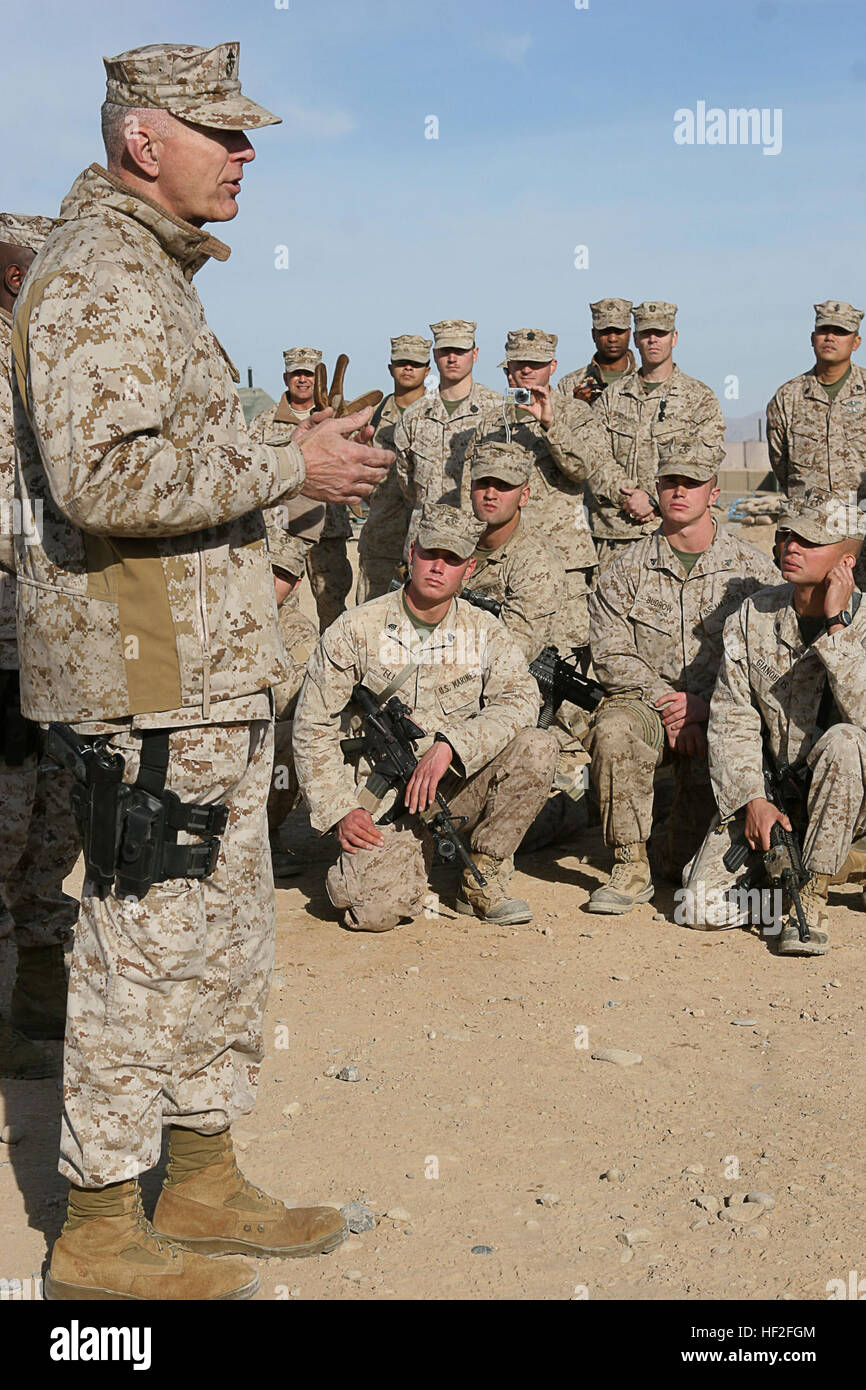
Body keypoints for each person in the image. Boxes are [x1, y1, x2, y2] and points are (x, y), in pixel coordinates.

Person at [12, 41, 391, 1301]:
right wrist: (290, 469)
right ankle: (102, 1228)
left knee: (222, 938)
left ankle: (203, 1172)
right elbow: (102, 476)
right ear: (141, 141)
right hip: (145, 671)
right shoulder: (96, 274)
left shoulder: (159, 277)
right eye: (220, 133)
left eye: (246, 135)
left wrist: (283, 432)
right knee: (140, 947)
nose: (244, 155)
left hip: (211, 674)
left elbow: (177, 438)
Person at [293, 504, 557, 931]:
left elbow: (521, 698)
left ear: (468, 568)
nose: (438, 567)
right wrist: (340, 808)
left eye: (452, 559)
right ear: (411, 553)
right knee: (368, 913)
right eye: (430, 553)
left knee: (538, 746)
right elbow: (313, 725)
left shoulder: (484, 631)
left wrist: (452, 745)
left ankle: (482, 874)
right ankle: (407, 855)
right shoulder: (356, 628)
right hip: (384, 796)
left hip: (454, 787)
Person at [584, 444, 778, 914]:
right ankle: (629, 866)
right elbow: (609, 652)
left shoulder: (754, 572)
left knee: (682, 864)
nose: (679, 492)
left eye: (692, 483)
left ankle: (671, 845)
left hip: (724, 718)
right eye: (670, 482)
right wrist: (669, 702)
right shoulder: (624, 568)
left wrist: (707, 705)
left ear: (713, 493)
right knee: (613, 730)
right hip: (650, 709)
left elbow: (770, 661)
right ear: (657, 489)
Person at [682, 489, 866, 956]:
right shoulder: (755, 615)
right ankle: (794, 877)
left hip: (853, 799)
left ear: (847, 559)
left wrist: (837, 630)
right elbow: (732, 718)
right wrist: (752, 801)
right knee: (697, 904)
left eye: (808, 539)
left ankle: (814, 893)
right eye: (786, 534)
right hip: (777, 796)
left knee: (845, 741)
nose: (791, 546)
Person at [0, 212, 80, 1082]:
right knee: (6, 814)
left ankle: (38, 989)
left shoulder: (45, 356)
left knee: (57, 811)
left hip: (53, 633)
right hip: (8, 628)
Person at [467, 329, 631, 649]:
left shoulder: (576, 414)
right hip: (501, 560)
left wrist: (551, 425)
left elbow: (582, 470)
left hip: (563, 560)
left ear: (552, 366)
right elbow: (471, 491)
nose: (527, 370)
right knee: (502, 655)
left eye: (536, 363)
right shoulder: (491, 423)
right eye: (519, 363)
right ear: (507, 366)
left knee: (562, 661)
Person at [592, 301, 726, 569]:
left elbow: (706, 462)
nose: (653, 339)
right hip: (617, 535)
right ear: (636, 339)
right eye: (645, 333)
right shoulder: (611, 398)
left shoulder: (699, 399)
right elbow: (595, 458)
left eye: (661, 333)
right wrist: (629, 497)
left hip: (676, 533)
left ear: (674, 338)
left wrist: (655, 500)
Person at [249, 347, 353, 631]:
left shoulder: (336, 419)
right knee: (280, 610)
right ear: (286, 377)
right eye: (297, 374)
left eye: (308, 373)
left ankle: (334, 671)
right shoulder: (263, 423)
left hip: (327, 531)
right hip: (283, 529)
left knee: (333, 607)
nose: (303, 379)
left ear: (317, 378)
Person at [394, 319, 501, 548]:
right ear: (434, 354)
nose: (452, 358)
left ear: (475, 353)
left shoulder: (496, 411)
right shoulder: (414, 416)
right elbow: (407, 485)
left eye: (460, 351)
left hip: (479, 541)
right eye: (445, 351)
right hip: (426, 544)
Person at [465, 440, 565, 661]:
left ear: (524, 496)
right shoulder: (453, 538)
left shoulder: (538, 562)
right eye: (483, 482)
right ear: (470, 487)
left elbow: (511, 654)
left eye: (504, 486)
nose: (490, 494)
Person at [766, 300, 866, 501]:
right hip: (805, 522)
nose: (830, 337)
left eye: (840, 331)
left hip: (860, 520)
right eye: (823, 330)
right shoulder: (787, 397)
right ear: (813, 338)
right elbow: (781, 466)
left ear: (856, 342)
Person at [356, 334, 430, 602]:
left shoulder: (437, 415)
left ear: (427, 369)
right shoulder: (371, 417)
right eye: (401, 362)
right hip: (381, 542)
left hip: (428, 544)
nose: (408, 368)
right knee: (370, 627)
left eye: (415, 363)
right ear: (390, 368)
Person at [264, 520, 318, 879]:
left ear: (297, 583)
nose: (269, 583)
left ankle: (264, 831)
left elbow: (289, 704)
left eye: (281, 575)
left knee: (293, 739)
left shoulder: (297, 631)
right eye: (264, 569)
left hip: (259, 741)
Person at [557, 298, 635, 405]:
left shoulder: (643, 381)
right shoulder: (569, 384)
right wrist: (577, 405)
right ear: (594, 335)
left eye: (619, 331)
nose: (612, 338)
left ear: (629, 334)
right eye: (605, 332)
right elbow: (555, 421)